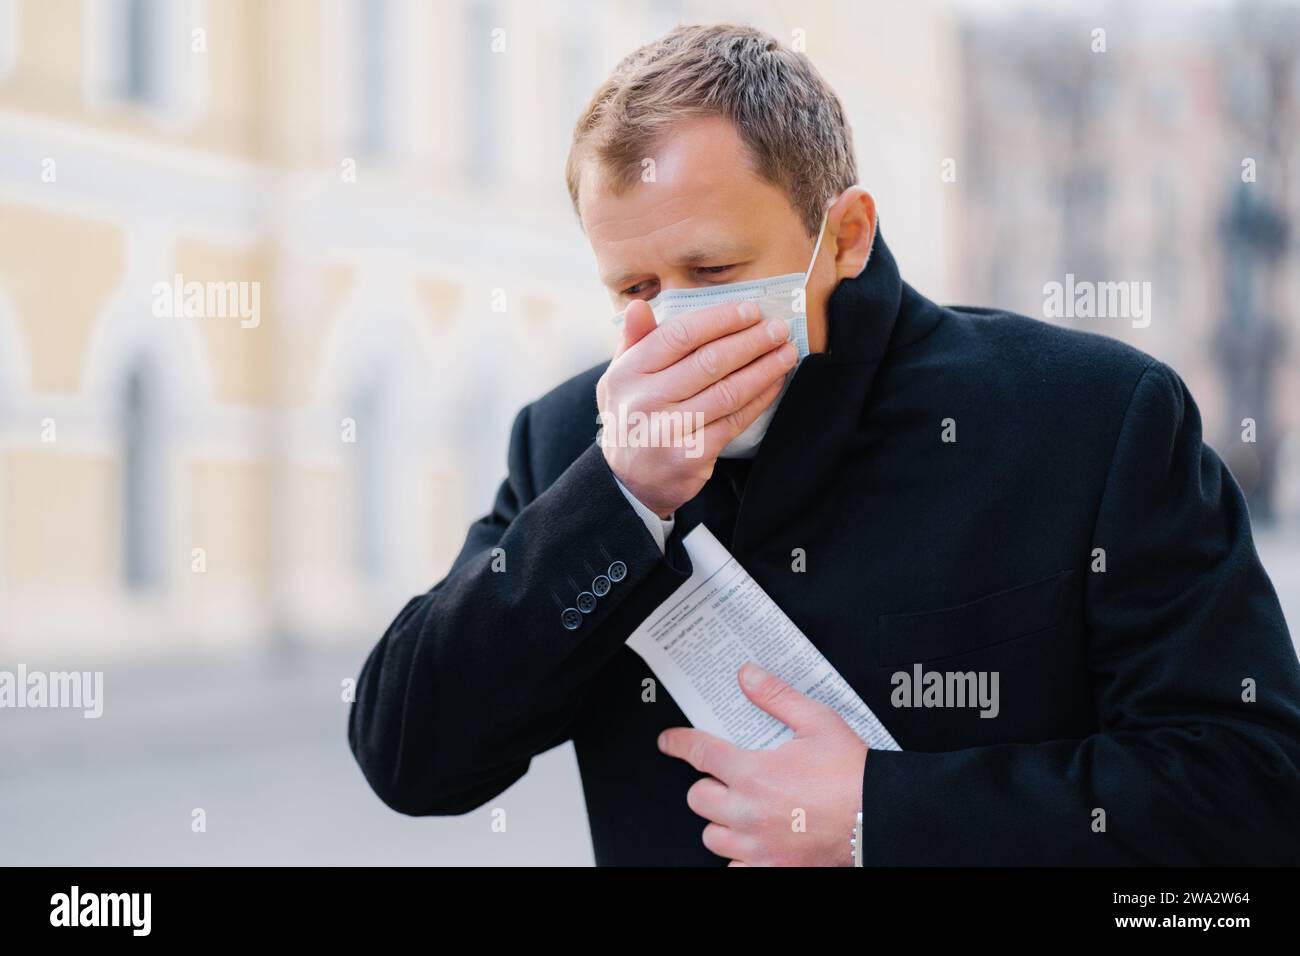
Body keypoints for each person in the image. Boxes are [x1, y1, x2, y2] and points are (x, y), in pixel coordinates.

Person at [348, 23, 1300, 866]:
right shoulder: (570, 439)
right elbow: (409, 760)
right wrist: (616, 501)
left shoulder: (1091, 417)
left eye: (712, 269)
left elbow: (1249, 786)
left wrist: (878, 818)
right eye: (634, 287)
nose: (672, 318)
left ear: (843, 235)